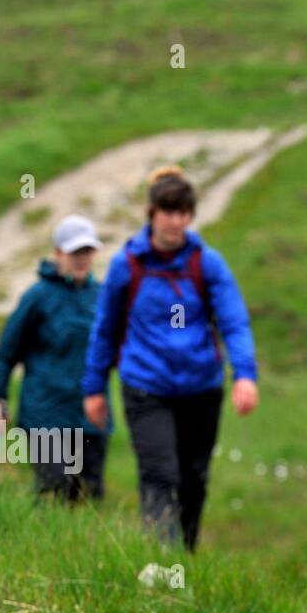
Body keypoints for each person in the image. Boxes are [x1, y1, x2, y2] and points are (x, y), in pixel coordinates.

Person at [82, 166, 258, 547]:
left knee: (194, 479)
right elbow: (105, 328)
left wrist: (244, 374)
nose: (176, 221)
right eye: (169, 211)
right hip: (146, 389)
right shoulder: (127, 265)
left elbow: (234, 321)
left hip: (201, 388)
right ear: (152, 213)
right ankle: (166, 565)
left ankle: (185, 555)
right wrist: (94, 387)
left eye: (184, 213)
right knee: (160, 474)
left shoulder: (206, 263)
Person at [0, 215, 110, 500]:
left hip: (91, 415)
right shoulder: (38, 297)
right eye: (74, 252)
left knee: (89, 495)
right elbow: (8, 351)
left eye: (87, 251)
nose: (81, 259)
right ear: (57, 253)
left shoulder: (102, 296)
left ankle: (75, 546)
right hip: (46, 414)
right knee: (56, 490)